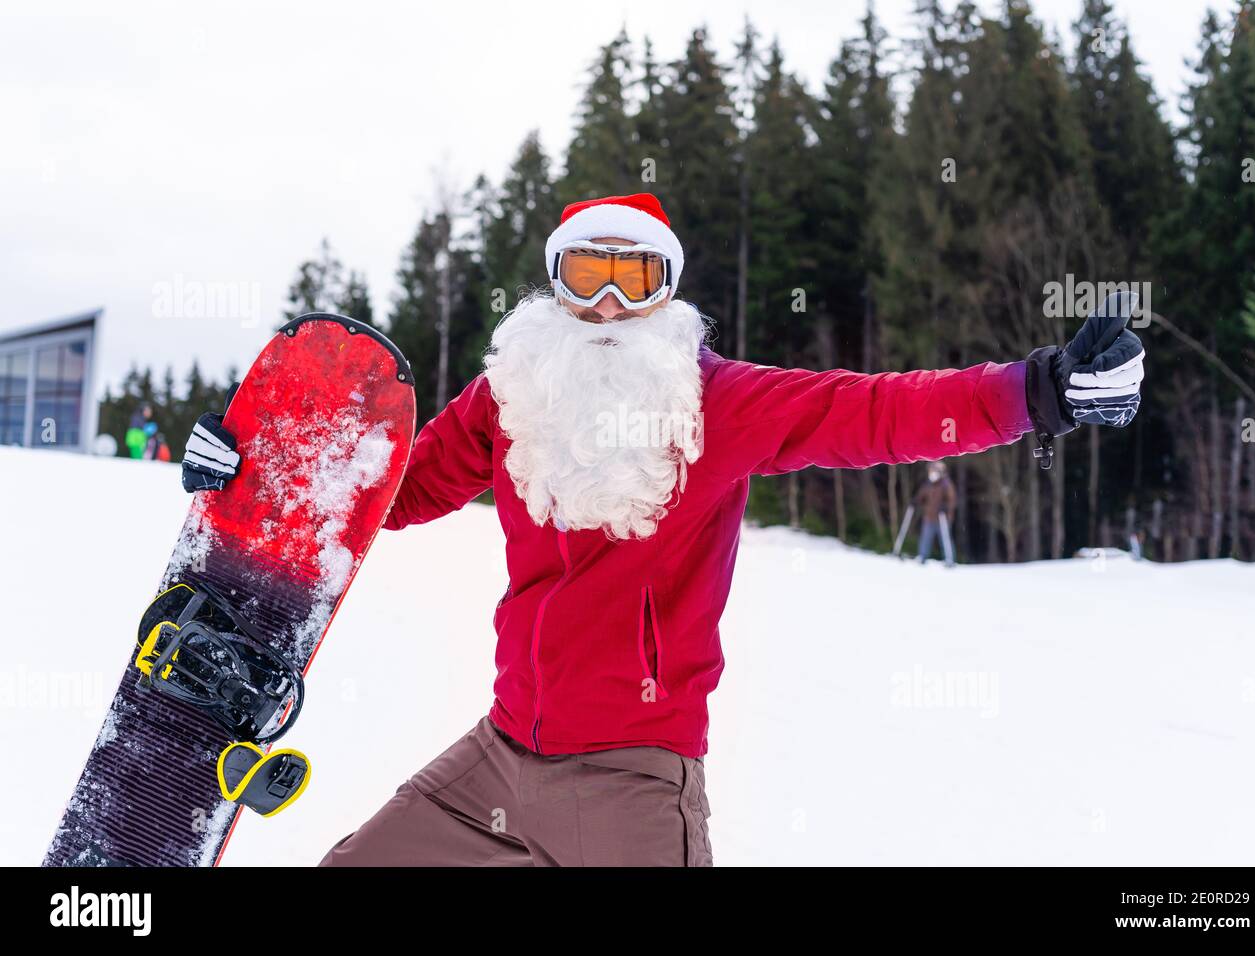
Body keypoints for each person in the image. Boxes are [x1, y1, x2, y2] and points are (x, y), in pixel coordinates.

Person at [181, 193, 1145, 866]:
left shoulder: (713, 401)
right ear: (554, 285)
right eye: (585, 275)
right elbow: (401, 488)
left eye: (631, 280)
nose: (605, 304)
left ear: (664, 293)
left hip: (633, 780)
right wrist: (257, 473)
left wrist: (1042, 389)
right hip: (499, 760)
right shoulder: (511, 395)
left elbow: (876, 412)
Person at [912, 461, 957, 566]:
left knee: (945, 539)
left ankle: (949, 559)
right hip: (929, 516)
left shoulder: (946, 484)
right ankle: (922, 557)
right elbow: (921, 495)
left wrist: (946, 507)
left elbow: (952, 499)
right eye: (931, 471)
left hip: (943, 518)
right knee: (925, 538)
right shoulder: (928, 484)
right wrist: (916, 501)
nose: (932, 474)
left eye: (934, 471)